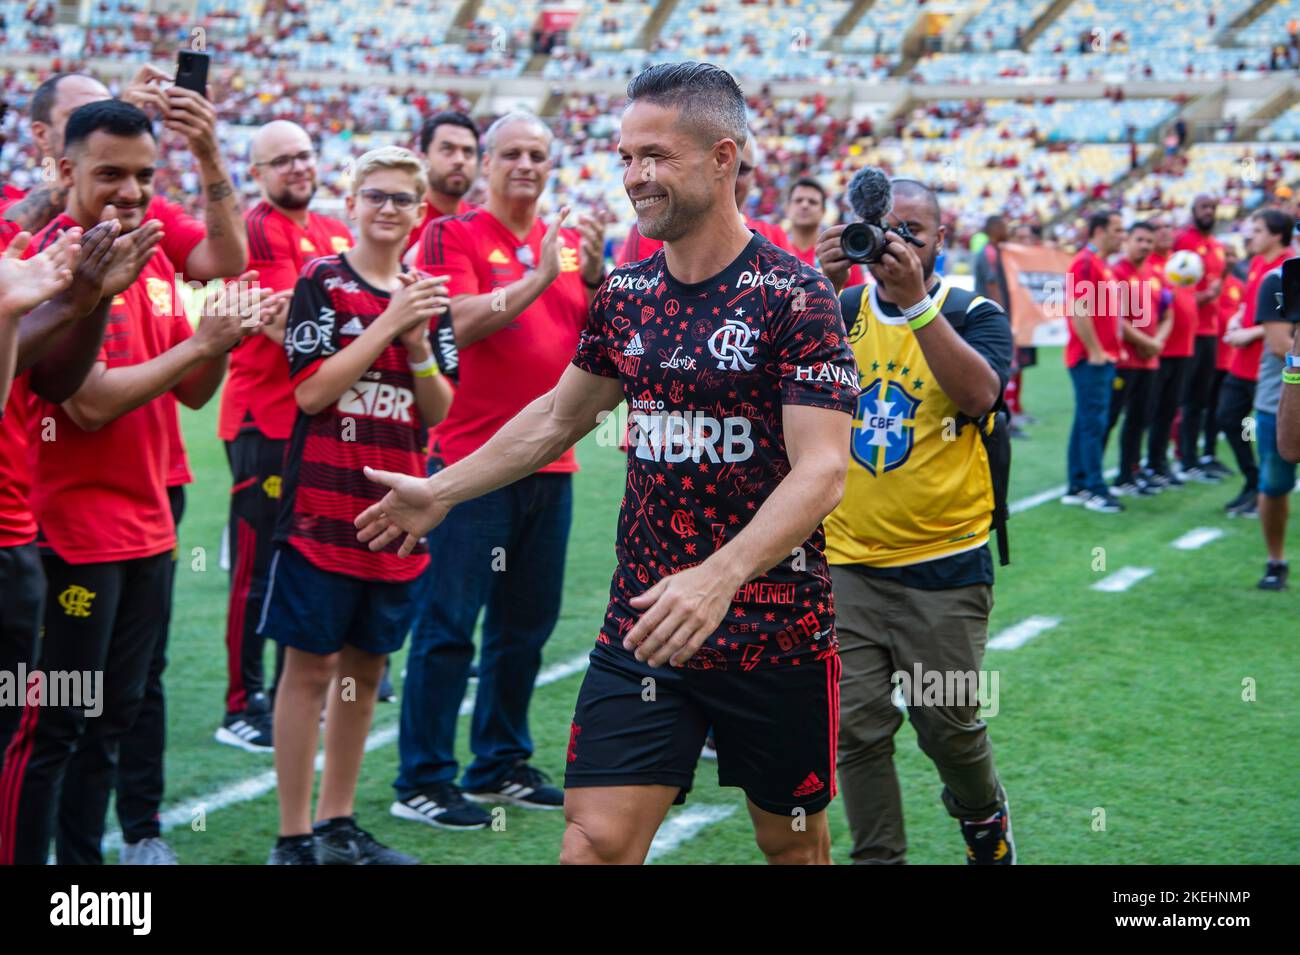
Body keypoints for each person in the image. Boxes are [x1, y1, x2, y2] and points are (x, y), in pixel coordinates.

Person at [358, 62, 857, 865]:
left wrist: (719, 576)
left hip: (774, 629)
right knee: (591, 843)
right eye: (626, 157)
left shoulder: (797, 296)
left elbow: (822, 471)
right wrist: (439, 491)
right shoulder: (625, 294)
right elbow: (562, 415)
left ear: (724, 158)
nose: (635, 177)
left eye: (655, 156)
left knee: (792, 846)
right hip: (645, 622)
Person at [0, 100, 265, 866]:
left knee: (112, 714)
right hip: (69, 536)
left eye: (144, 175)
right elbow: (83, 402)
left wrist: (220, 339)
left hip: (149, 525)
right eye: (109, 173)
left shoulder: (148, 256)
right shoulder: (51, 264)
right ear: (64, 172)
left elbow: (193, 392)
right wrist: (204, 342)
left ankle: (84, 869)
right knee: (51, 724)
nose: (129, 190)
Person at [392, 111, 603, 830]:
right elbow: (448, 321)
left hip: (553, 459)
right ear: (486, 164)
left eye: (538, 153)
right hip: (473, 461)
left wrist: (591, 276)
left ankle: (499, 761)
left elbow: (584, 335)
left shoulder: (568, 242)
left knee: (526, 625)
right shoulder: (452, 233)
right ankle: (421, 776)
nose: (525, 164)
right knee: (449, 625)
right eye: (511, 152)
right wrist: (540, 275)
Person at [262, 146, 453, 865]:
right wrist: (387, 325)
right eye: (374, 195)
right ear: (352, 203)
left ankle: (338, 823)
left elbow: (436, 408)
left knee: (365, 669)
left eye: (401, 198)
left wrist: (417, 341)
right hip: (319, 512)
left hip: (395, 518)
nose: (387, 208)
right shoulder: (320, 280)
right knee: (307, 668)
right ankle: (293, 834)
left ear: (419, 210)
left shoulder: (427, 295)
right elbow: (311, 392)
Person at [819, 173, 1015, 865]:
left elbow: (980, 396)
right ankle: (880, 858)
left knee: (949, 726)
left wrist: (915, 304)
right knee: (856, 729)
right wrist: (811, 288)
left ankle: (983, 813)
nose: (896, 243)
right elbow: (771, 384)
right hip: (848, 564)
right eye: (885, 228)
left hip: (945, 565)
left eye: (915, 233)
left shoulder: (973, 311)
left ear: (941, 241)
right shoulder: (838, 307)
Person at [215, 120, 354, 754]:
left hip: (314, 422)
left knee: (303, 562)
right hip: (262, 421)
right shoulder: (247, 231)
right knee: (256, 568)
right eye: (281, 161)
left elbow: (315, 321)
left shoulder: (331, 231)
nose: (297, 167)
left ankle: (282, 693)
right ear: (258, 174)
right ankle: (240, 704)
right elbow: (270, 319)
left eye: (304, 154)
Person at [615, 128, 791, 266]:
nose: (730, 176)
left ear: (755, 176)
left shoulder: (774, 236)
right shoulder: (655, 230)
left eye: (741, 169)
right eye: (721, 162)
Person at [1220, 210, 1293, 517]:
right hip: (1245, 360)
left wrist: (1251, 331)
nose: (1251, 236)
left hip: (1272, 369)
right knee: (1228, 418)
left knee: (1272, 434)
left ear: (1277, 235)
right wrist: (1239, 316)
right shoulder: (1257, 263)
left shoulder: (1289, 268)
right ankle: (1254, 481)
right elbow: (1253, 304)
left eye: (1258, 230)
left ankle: (1265, 487)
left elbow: (1287, 325)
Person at [1061, 209, 1125, 513]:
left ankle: (1077, 484)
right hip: (1090, 359)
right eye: (1117, 229)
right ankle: (1095, 488)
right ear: (1099, 230)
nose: (1121, 236)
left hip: (1098, 356)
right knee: (1094, 423)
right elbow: (1078, 309)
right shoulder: (1086, 261)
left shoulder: (1099, 263)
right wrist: (1096, 350)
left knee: (1086, 421)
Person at [1107, 221, 1171, 495]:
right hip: (1123, 360)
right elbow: (1116, 319)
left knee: (1139, 419)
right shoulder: (1116, 272)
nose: (1145, 245)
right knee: (1108, 420)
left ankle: (1128, 474)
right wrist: (1148, 342)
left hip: (1149, 360)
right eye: (1139, 239)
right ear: (1127, 241)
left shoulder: (1156, 274)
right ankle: (1090, 479)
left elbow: (1169, 312)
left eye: (1149, 241)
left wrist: (1157, 342)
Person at [1247, 246, 1297, 589]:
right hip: (1277, 398)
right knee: (1275, 483)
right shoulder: (1278, 280)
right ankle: (1275, 560)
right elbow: (1281, 346)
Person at [1174, 195, 1226, 483]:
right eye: (1204, 207)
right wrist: (1201, 297)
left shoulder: (1217, 247)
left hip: (1210, 331)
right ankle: (1181, 455)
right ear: (1193, 211)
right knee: (1183, 398)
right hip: (1188, 331)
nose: (1209, 212)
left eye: (1212, 208)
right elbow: (1174, 286)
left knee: (1200, 399)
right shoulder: (1183, 241)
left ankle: (1194, 458)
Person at [1145, 216, 1197, 489]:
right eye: (1158, 228)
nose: (1165, 232)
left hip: (1183, 348)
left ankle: (1158, 463)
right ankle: (1145, 464)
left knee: (1168, 411)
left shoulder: (1180, 262)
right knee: (1151, 412)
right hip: (1161, 350)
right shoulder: (1149, 265)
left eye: (1168, 227)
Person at [407, 110, 480, 252]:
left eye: (468, 152)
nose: (459, 160)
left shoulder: (483, 223)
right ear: (423, 158)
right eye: (447, 150)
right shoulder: (403, 222)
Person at [1207, 242, 1246, 474]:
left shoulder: (1238, 285)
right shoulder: (1214, 284)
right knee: (1202, 406)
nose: (1230, 259)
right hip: (1211, 354)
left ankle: (1209, 454)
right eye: (1225, 254)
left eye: (1233, 254)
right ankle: (1192, 455)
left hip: (1230, 358)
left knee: (1219, 410)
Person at [784, 176, 866, 287]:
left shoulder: (841, 254)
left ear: (823, 211)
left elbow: (857, 301)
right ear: (787, 208)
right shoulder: (773, 253)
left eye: (812, 202)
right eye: (798, 200)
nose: (804, 205)